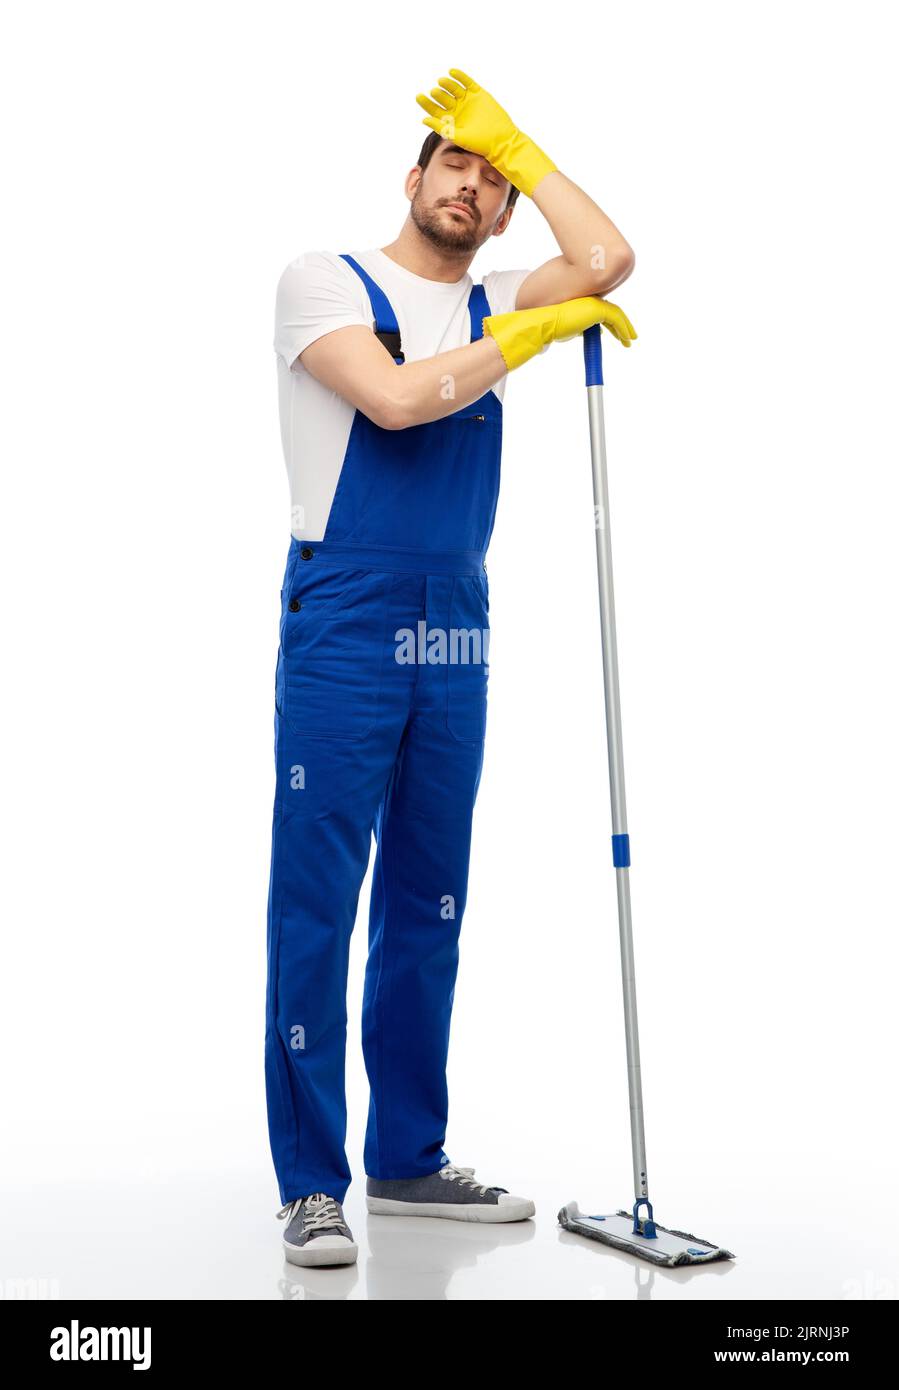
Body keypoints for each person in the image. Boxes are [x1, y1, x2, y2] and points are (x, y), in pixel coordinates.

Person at [266, 68, 637, 1268]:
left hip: (455, 618)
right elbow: (390, 402)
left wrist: (524, 151)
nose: (468, 188)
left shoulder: (494, 290)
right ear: (412, 177)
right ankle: (311, 1184)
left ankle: (408, 1157)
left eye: (489, 179)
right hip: (346, 612)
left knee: (430, 897)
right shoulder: (326, 281)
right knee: (318, 904)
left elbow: (608, 259)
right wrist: (520, 338)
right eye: (453, 164)